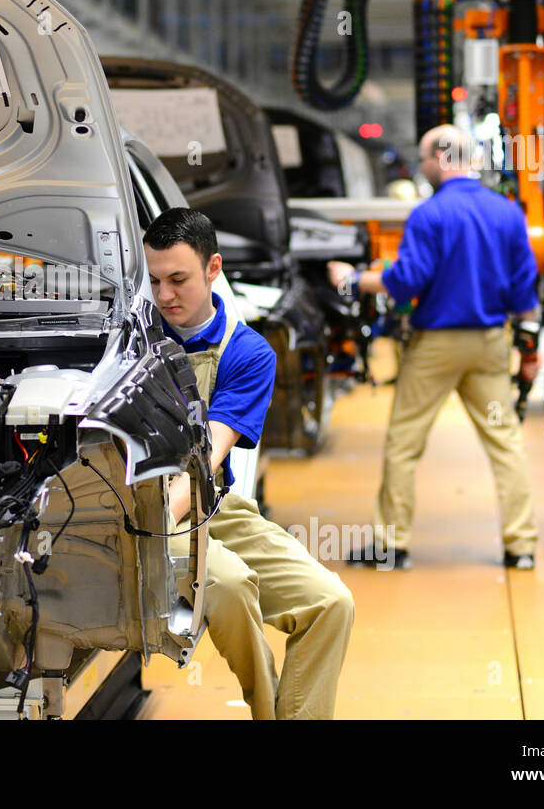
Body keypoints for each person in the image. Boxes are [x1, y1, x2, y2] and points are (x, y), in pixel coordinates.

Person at [144, 207, 354, 720]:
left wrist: (163, 523)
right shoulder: (131, 343)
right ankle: (268, 710)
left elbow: (206, 457)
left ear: (213, 268)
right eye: (154, 281)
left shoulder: (247, 352)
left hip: (209, 503)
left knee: (331, 603)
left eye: (178, 279)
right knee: (232, 585)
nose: (165, 295)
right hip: (138, 509)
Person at [327, 124, 541, 570]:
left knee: (405, 443)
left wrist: (353, 279)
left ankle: (392, 544)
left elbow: (405, 282)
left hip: (436, 348)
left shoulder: (429, 215)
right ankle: (521, 547)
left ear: (441, 158)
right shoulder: (507, 213)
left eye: (424, 159)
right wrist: (530, 347)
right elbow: (525, 288)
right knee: (506, 442)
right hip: (489, 346)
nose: (423, 167)